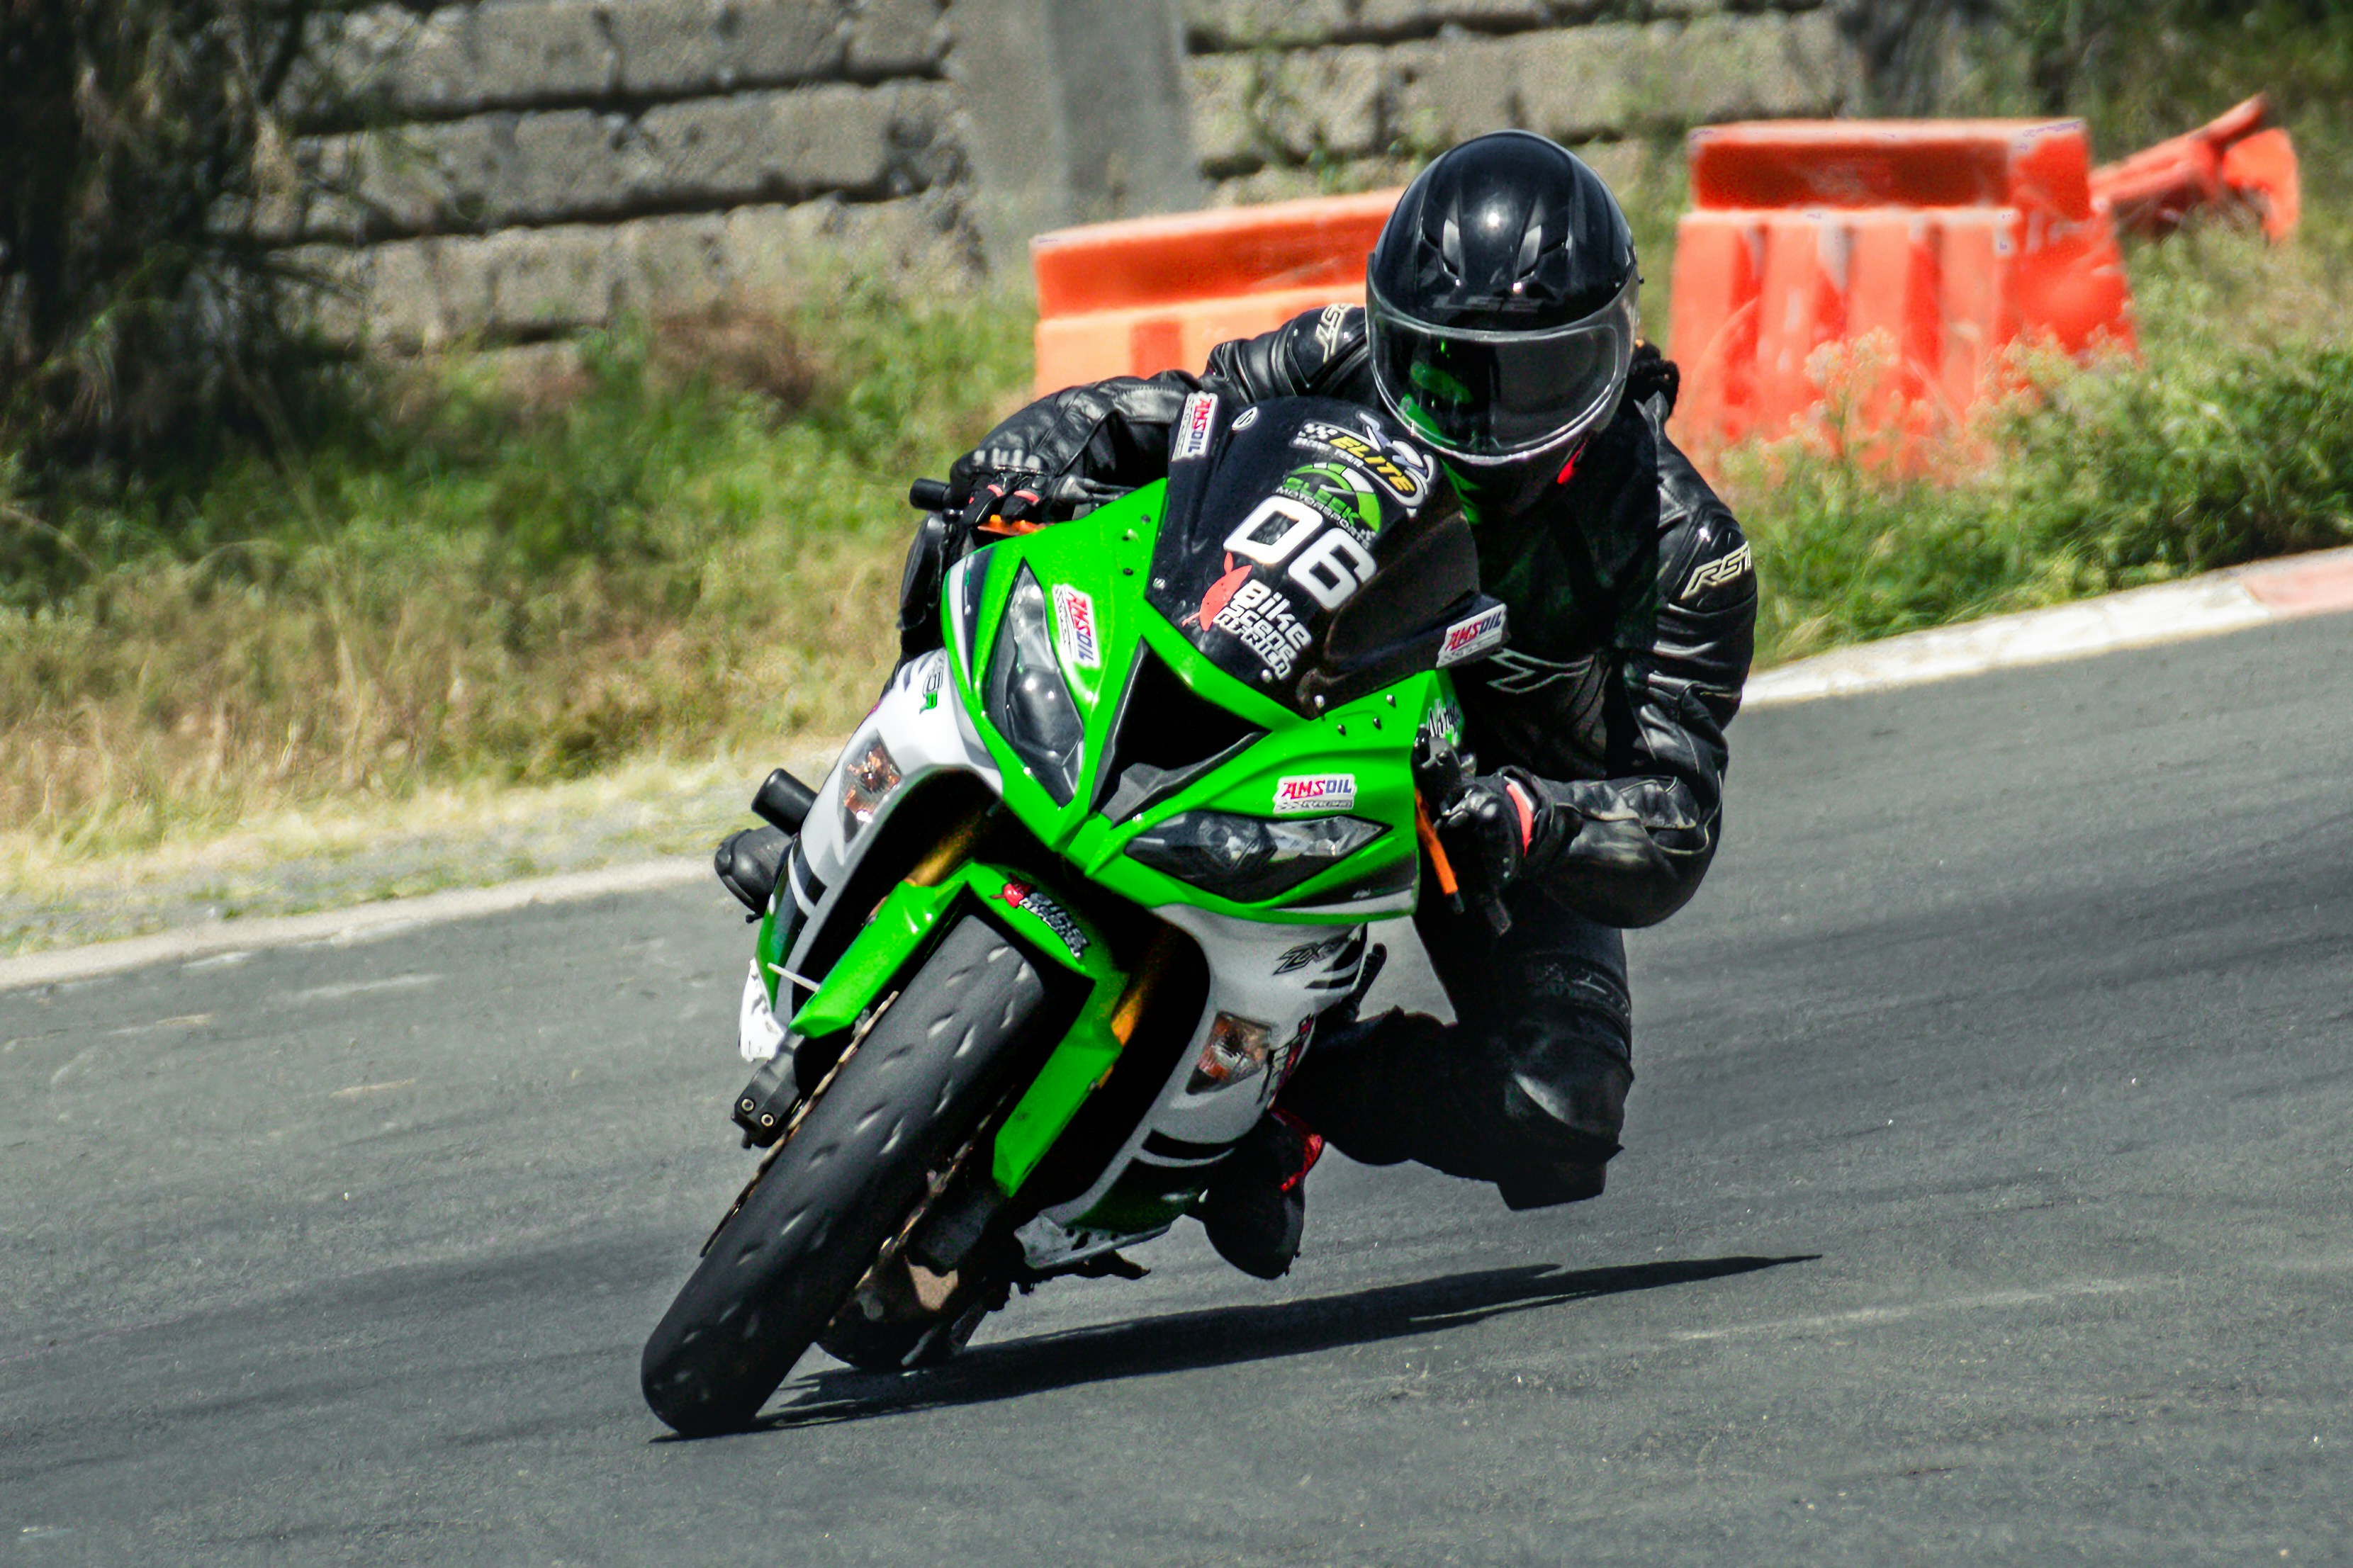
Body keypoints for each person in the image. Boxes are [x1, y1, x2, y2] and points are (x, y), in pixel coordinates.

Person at [913, 130, 1757, 1279]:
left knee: (1562, 1108)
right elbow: (1186, 415)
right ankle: (903, 800)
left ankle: (1282, 1094)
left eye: (1537, 383)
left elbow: (1675, 813)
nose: (1485, 429)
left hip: (1483, 806)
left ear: (1610, 358)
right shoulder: (1343, 349)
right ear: (1394, 332)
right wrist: (1040, 452)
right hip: (1291, 684)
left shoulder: (1684, 545)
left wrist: (1533, 819)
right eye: (1449, 375)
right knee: (965, 532)